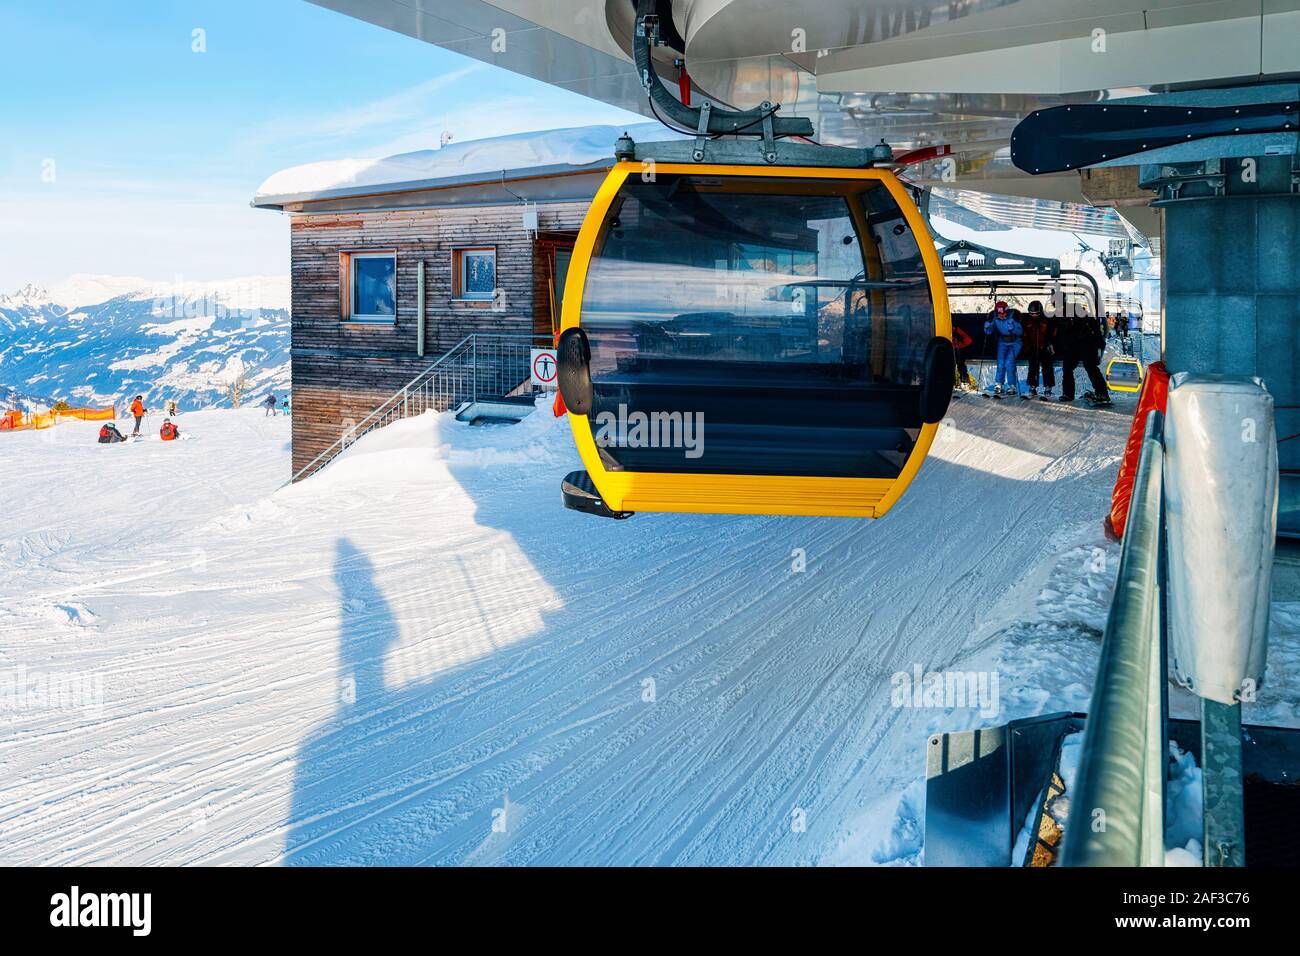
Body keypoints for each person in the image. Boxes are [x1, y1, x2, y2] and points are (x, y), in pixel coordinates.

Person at [1057, 309, 1112, 406]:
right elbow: (1064, 337)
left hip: (1086, 347)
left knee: (1089, 367)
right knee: (1069, 367)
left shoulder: (1087, 322)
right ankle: (1069, 393)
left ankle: (1101, 393)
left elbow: (1097, 336)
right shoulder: (1072, 323)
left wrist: (1099, 345)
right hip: (1077, 347)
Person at [983, 300, 1023, 398]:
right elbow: (989, 332)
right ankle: (999, 384)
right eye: (999, 314)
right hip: (1003, 341)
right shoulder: (995, 318)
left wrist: (1013, 328)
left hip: (1015, 342)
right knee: (1000, 362)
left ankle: (1012, 386)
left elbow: (1020, 332)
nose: (1001, 316)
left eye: (1003, 314)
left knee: (1009, 362)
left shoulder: (1013, 317)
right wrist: (987, 326)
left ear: (1007, 311)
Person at [1021, 300, 1056, 399]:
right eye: (1032, 313)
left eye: (1036, 313)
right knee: (1033, 367)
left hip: (1045, 347)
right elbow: (1025, 335)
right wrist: (1026, 347)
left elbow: (1051, 334)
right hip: (1033, 347)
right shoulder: (1027, 321)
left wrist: (1049, 344)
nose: (1034, 315)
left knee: (1047, 367)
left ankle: (1048, 388)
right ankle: (1032, 387)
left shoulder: (1046, 320)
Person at [951, 324, 974, 391]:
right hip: (952, 350)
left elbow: (968, 340)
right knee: (951, 367)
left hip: (958, 350)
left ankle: (964, 382)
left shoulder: (958, 331)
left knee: (961, 366)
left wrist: (959, 345)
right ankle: (953, 383)